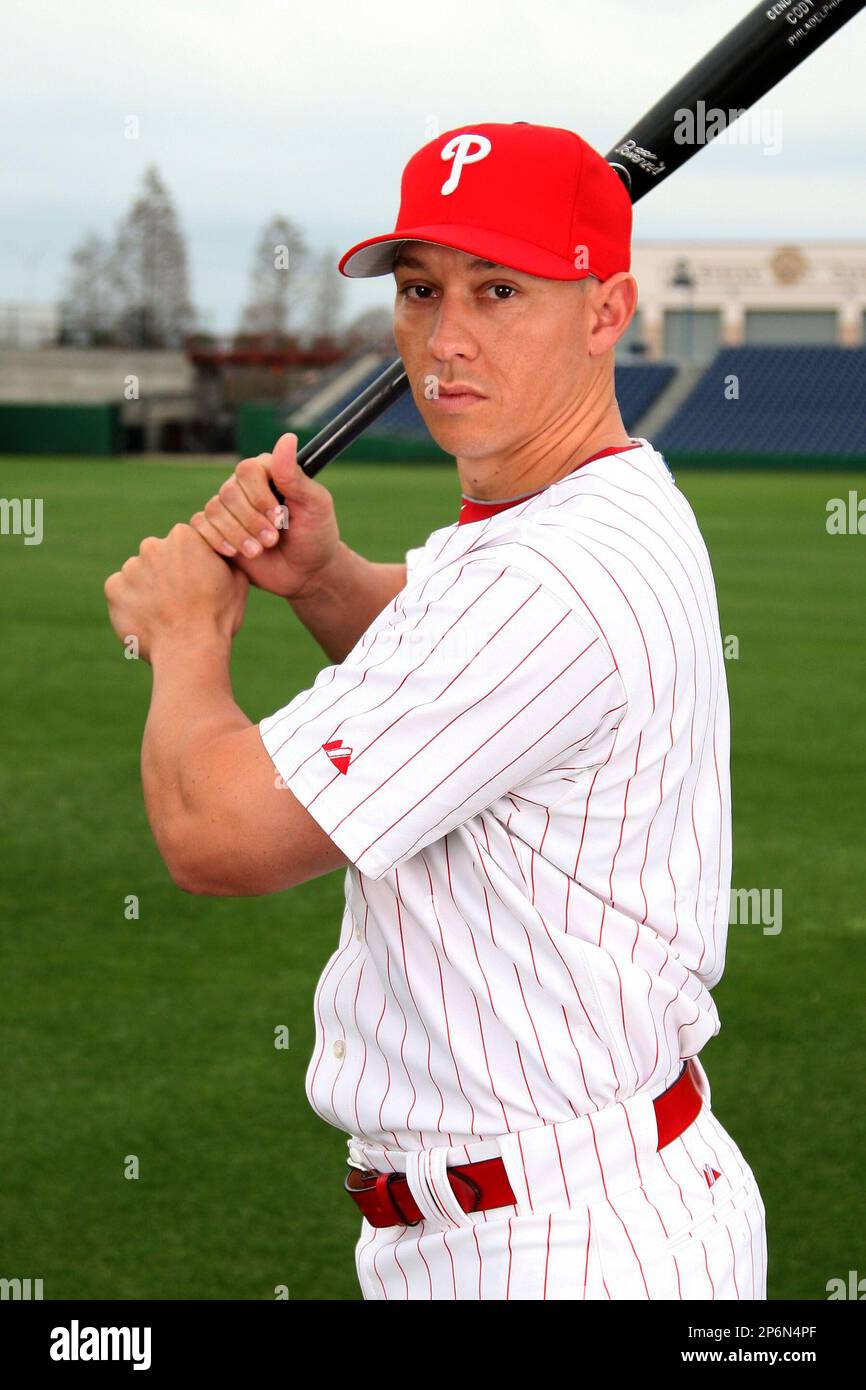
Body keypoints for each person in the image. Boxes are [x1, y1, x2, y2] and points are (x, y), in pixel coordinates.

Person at [104, 121, 767, 1300]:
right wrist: (323, 577)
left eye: (499, 291)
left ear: (605, 311)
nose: (443, 340)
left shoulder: (544, 575)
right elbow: (471, 681)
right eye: (419, 291)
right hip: (564, 1202)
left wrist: (184, 637)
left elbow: (219, 837)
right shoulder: (601, 503)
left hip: (559, 1245)